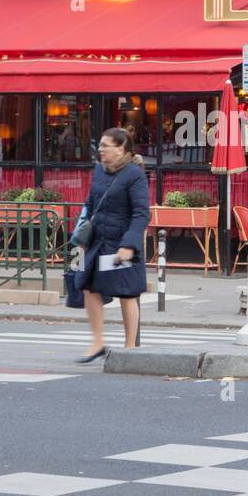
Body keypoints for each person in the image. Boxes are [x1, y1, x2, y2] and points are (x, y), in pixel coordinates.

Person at [75, 128, 150, 363]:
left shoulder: (134, 175)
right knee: (88, 287)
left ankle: (129, 349)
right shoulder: (99, 171)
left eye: (106, 145)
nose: (101, 149)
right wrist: (81, 238)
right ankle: (97, 342)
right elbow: (90, 202)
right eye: (101, 145)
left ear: (122, 149)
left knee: (127, 293)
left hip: (121, 242)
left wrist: (129, 244)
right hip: (98, 241)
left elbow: (141, 213)